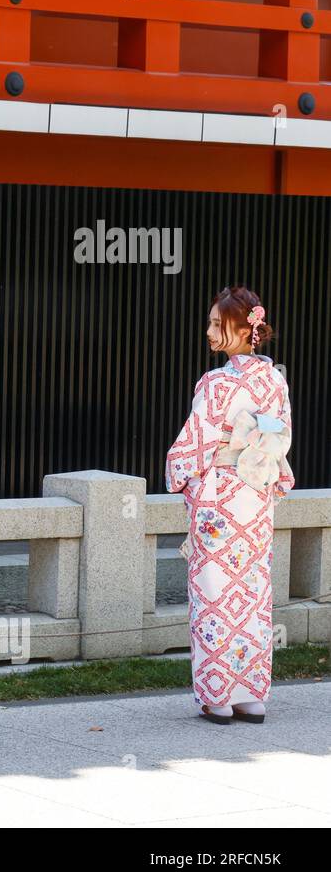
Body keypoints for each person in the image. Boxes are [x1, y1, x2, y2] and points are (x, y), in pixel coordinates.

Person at [165, 286, 293, 726]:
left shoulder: (216, 384)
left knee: (215, 596)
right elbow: (280, 439)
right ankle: (251, 697)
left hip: (219, 496)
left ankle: (218, 698)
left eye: (217, 324)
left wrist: (180, 473)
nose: (210, 331)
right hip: (256, 495)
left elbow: (195, 443)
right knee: (252, 594)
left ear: (243, 329)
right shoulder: (275, 380)